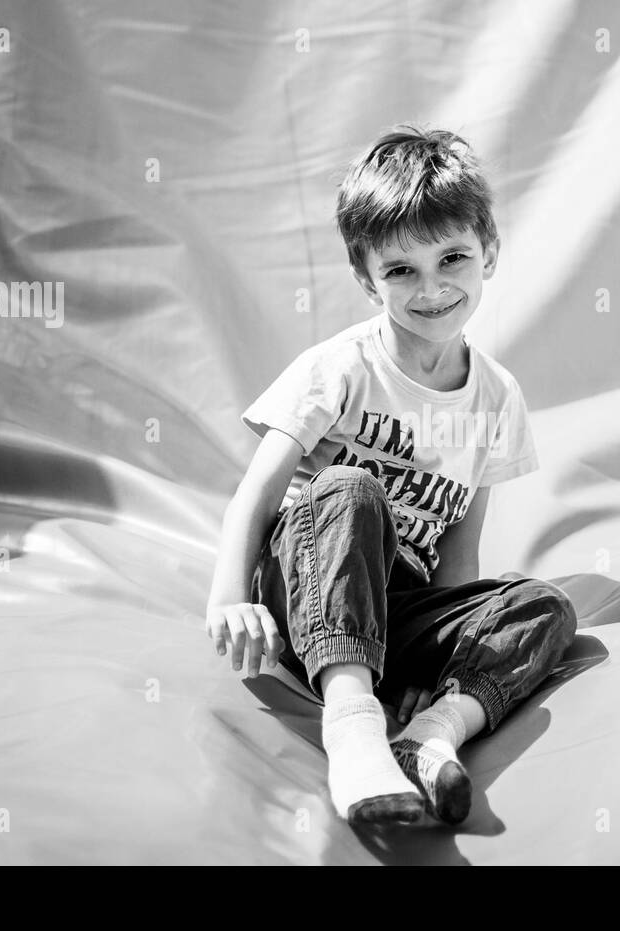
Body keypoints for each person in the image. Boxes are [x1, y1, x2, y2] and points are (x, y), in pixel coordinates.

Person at [205, 124, 578, 827]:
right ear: (364, 277)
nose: (432, 288)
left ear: (489, 252)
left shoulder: (496, 398)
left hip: (396, 608)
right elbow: (256, 496)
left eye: (452, 259)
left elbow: (460, 546)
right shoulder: (342, 368)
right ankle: (353, 726)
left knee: (545, 606)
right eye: (401, 270)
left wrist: (444, 656)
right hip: (306, 582)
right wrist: (229, 596)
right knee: (352, 488)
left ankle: (431, 733)